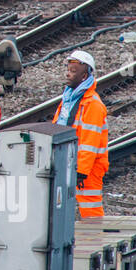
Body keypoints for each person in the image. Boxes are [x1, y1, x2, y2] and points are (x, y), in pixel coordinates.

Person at [52, 50, 108, 219]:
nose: (68, 74)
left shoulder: (93, 105)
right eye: (68, 70)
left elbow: (89, 142)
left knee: (89, 206)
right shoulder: (69, 99)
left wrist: (81, 171)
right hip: (69, 162)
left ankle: (95, 242)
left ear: (84, 76)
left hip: (88, 168)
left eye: (73, 71)